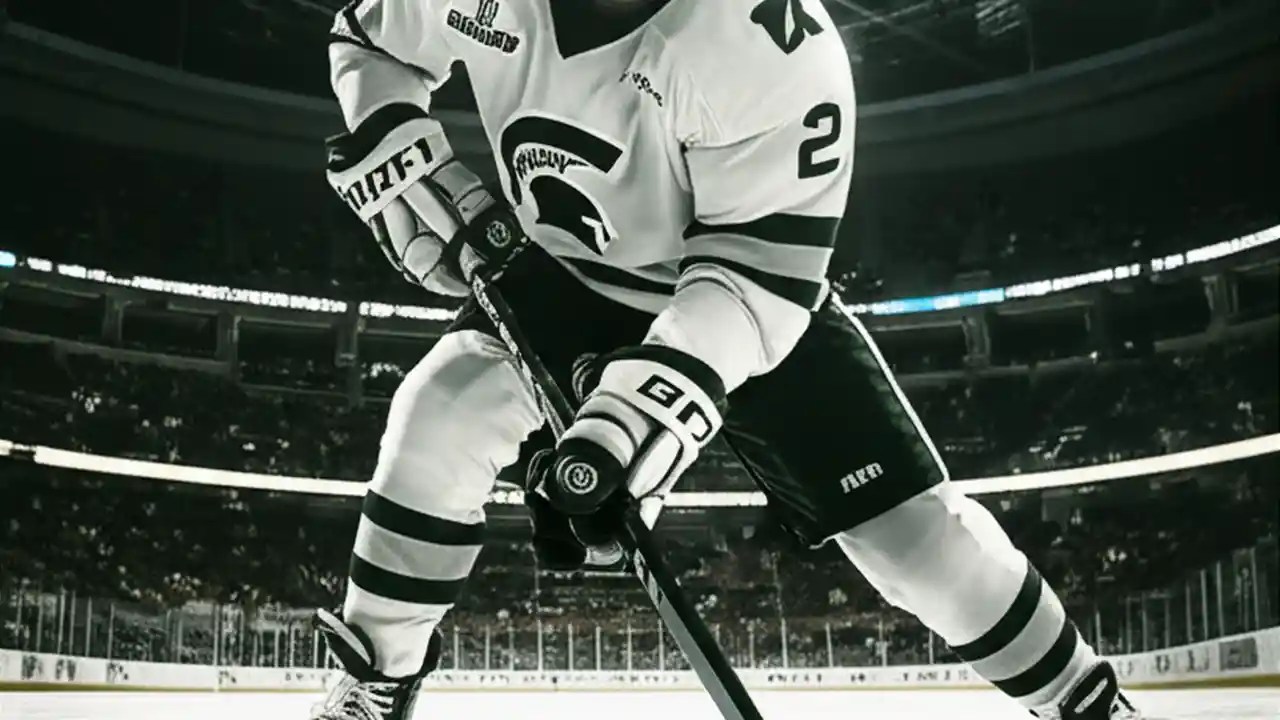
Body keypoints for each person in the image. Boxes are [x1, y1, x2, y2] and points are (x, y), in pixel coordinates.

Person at [311, 1, 1142, 718]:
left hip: (745, 291)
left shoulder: (774, 43)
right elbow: (371, 38)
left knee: (921, 546)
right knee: (436, 416)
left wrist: (627, 422)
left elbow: (750, 280)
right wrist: (394, 130)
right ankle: (374, 681)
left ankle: (1081, 696)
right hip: (563, 269)